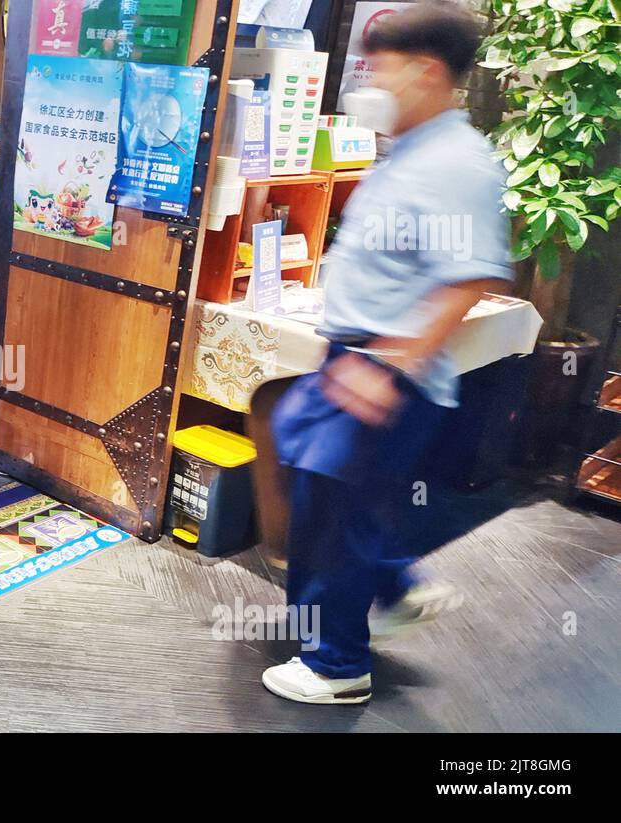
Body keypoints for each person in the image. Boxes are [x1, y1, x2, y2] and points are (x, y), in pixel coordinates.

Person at [262, 3, 512, 705]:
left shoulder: (458, 163)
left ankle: (337, 665)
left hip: (385, 367)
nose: (368, 81)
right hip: (357, 355)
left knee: (331, 513)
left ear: (427, 71)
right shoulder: (414, 148)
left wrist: (391, 366)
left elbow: (468, 278)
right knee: (304, 458)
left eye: (381, 67)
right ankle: (397, 582)